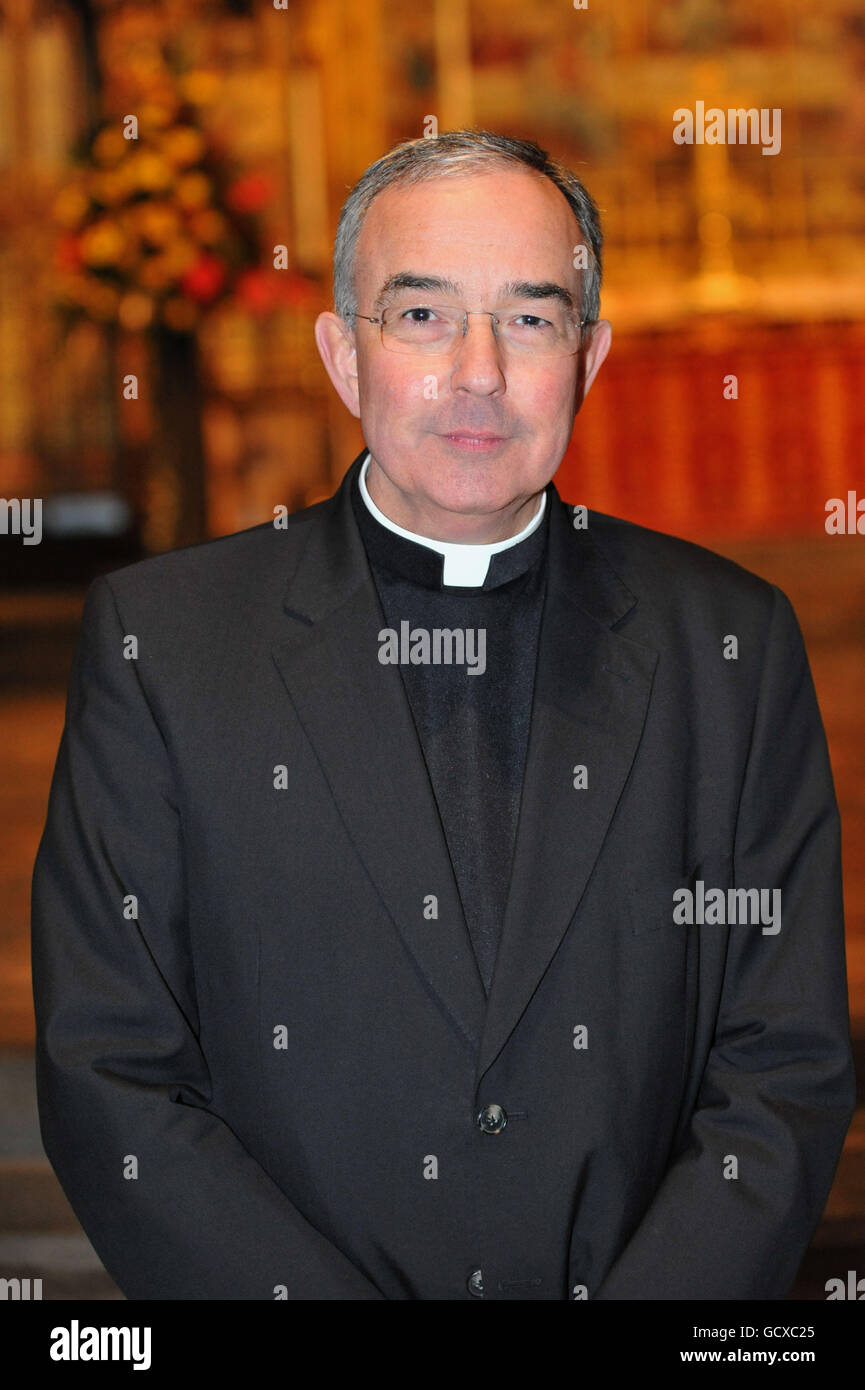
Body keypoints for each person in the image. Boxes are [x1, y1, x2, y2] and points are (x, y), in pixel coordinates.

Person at [31, 130, 855, 1300]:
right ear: (340, 353)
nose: (479, 371)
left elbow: (785, 1063)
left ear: (590, 355)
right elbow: (108, 1066)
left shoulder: (728, 647)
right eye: (421, 316)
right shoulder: (162, 644)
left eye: (531, 318)